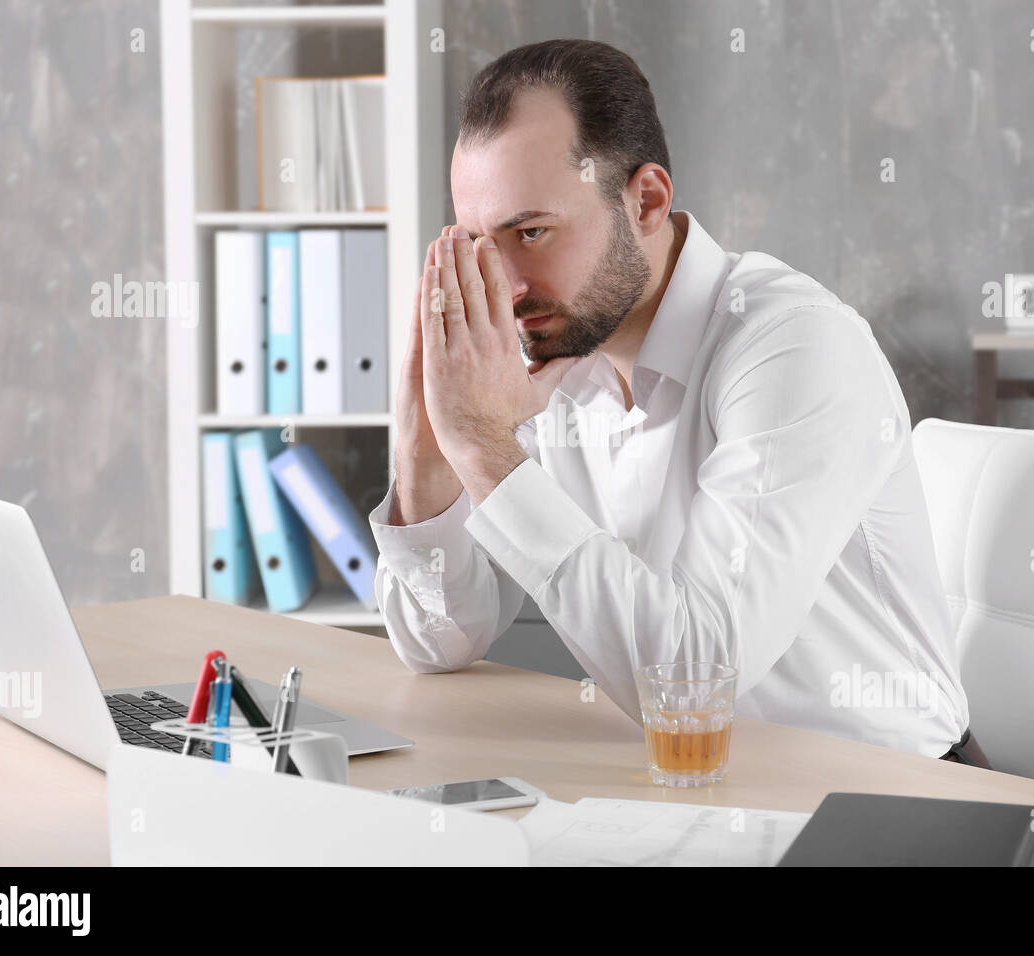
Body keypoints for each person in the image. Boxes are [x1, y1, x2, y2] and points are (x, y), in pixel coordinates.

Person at [367, 38, 988, 768]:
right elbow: (439, 639)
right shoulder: (547, 359)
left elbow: (694, 684)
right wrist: (426, 454)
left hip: (889, 800)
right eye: (478, 242)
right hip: (693, 787)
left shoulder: (794, 347)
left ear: (647, 201)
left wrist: (486, 449)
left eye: (531, 232)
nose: (502, 285)